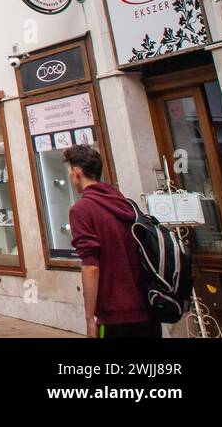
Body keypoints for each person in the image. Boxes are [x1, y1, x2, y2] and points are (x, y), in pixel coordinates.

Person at [65, 144, 158, 338]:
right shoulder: (125, 203)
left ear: (76, 172)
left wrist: (90, 318)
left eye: (69, 171)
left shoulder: (82, 209)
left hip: (114, 314)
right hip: (147, 309)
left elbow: (91, 267)